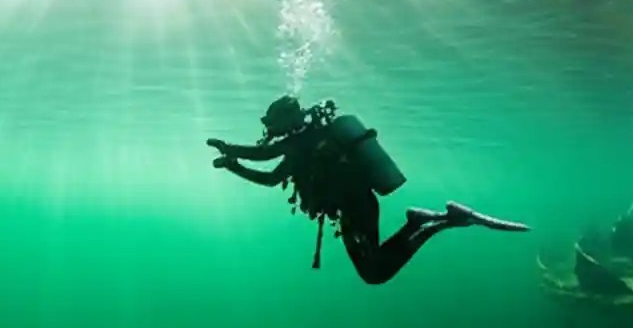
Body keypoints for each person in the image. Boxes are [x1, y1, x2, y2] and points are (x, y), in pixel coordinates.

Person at [206, 95, 529, 285]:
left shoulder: (299, 147)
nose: (269, 130)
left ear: (285, 122)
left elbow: (267, 172)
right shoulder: (310, 140)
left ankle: (439, 222)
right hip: (359, 205)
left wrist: (231, 160)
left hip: (355, 210)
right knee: (373, 269)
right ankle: (420, 221)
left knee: (374, 272)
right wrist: (229, 151)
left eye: (272, 123)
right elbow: (262, 156)